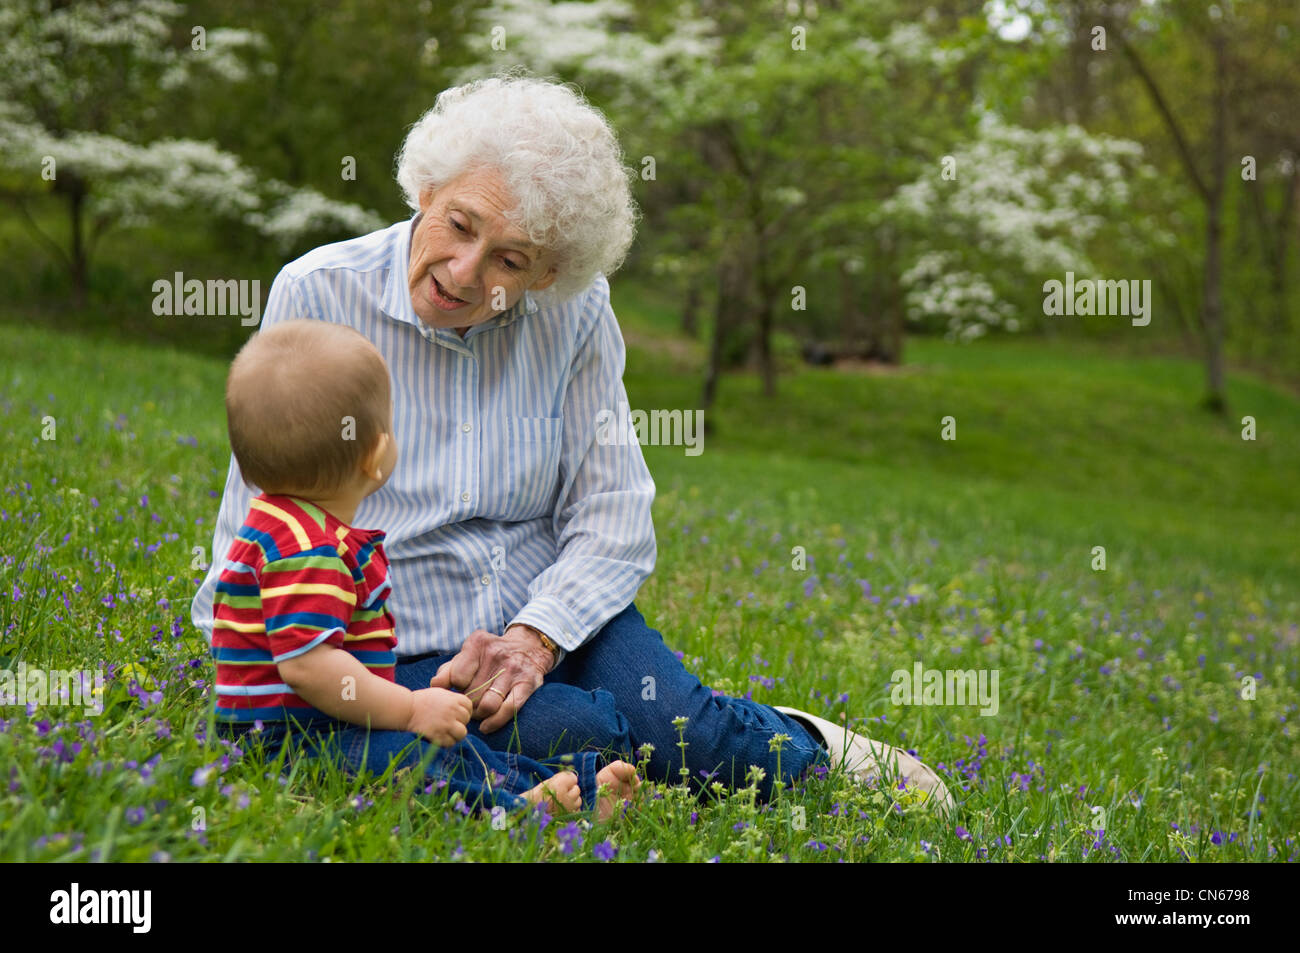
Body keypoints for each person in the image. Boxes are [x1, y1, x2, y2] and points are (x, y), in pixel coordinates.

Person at [193, 72, 954, 816]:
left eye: (510, 260)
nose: (465, 273)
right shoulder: (319, 292)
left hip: (557, 615)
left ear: (549, 272)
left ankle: (803, 740)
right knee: (575, 731)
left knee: (688, 731)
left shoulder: (576, 314)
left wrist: (537, 635)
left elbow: (615, 513)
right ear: (425, 190)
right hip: (402, 649)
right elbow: (256, 522)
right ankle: (590, 760)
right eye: (459, 225)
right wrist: (276, 674)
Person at [210, 317, 639, 818]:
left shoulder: (277, 523)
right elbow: (309, 666)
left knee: (451, 746)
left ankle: (559, 791)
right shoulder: (309, 552)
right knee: (414, 761)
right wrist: (410, 709)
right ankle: (515, 813)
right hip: (294, 741)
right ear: (376, 457)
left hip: (329, 718)